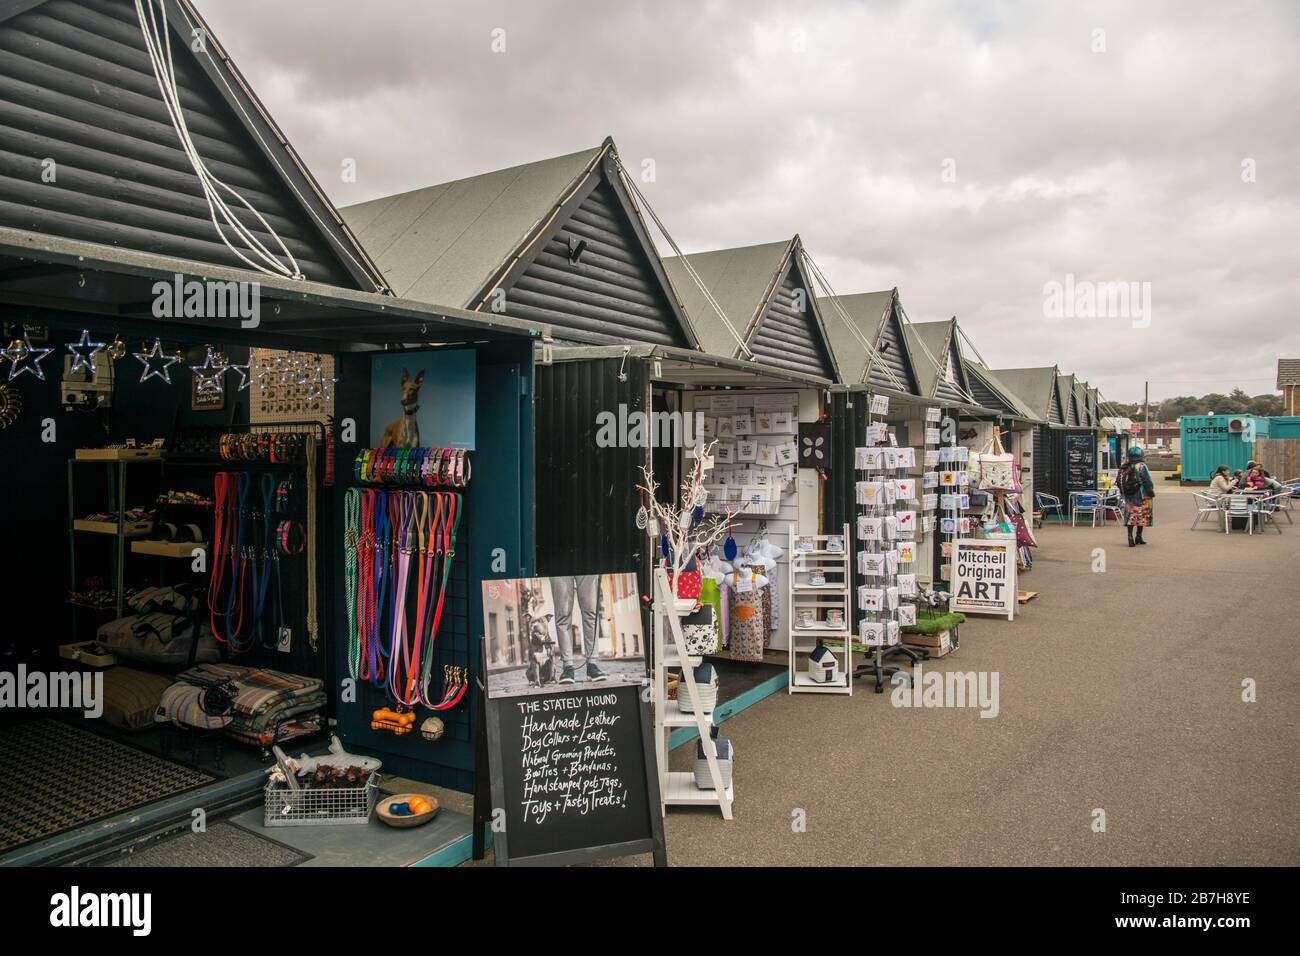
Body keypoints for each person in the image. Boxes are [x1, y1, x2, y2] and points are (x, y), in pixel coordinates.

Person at [551, 574, 606, 684]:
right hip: (557, 561)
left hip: (586, 560)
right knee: (562, 614)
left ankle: (592, 664)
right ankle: (568, 666)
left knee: (591, 612)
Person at [1119, 447, 1155, 546]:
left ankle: (1130, 537)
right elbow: (1148, 481)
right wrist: (1151, 490)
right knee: (1142, 516)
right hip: (1142, 495)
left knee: (1131, 515)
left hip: (1129, 496)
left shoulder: (1125, 466)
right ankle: (1138, 536)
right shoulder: (1142, 466)